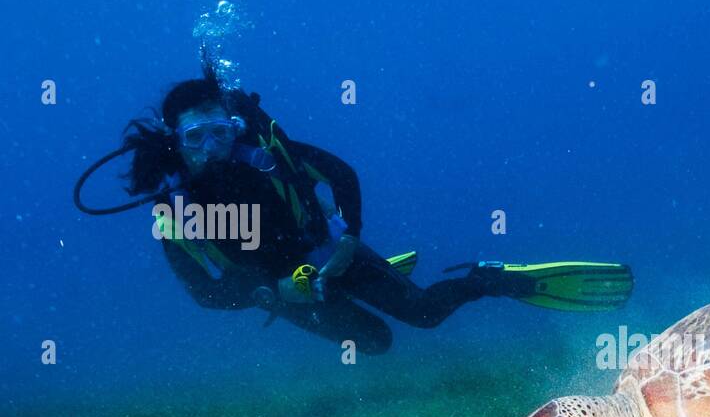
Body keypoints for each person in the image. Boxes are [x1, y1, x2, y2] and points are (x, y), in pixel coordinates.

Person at [78, 68, 631, 354]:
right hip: (281, 287)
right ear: (174, 140)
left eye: (220, 131)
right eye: (196, 135)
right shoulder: (172, 210)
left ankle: (491, 279)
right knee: (375, 343)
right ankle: (368, 277)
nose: (212, 147)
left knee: (423, 315)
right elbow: (203, 292)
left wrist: (348, 240)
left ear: (235, 128)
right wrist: (267, 294)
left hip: (329, 253)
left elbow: (340, 173)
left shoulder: (268, 156)